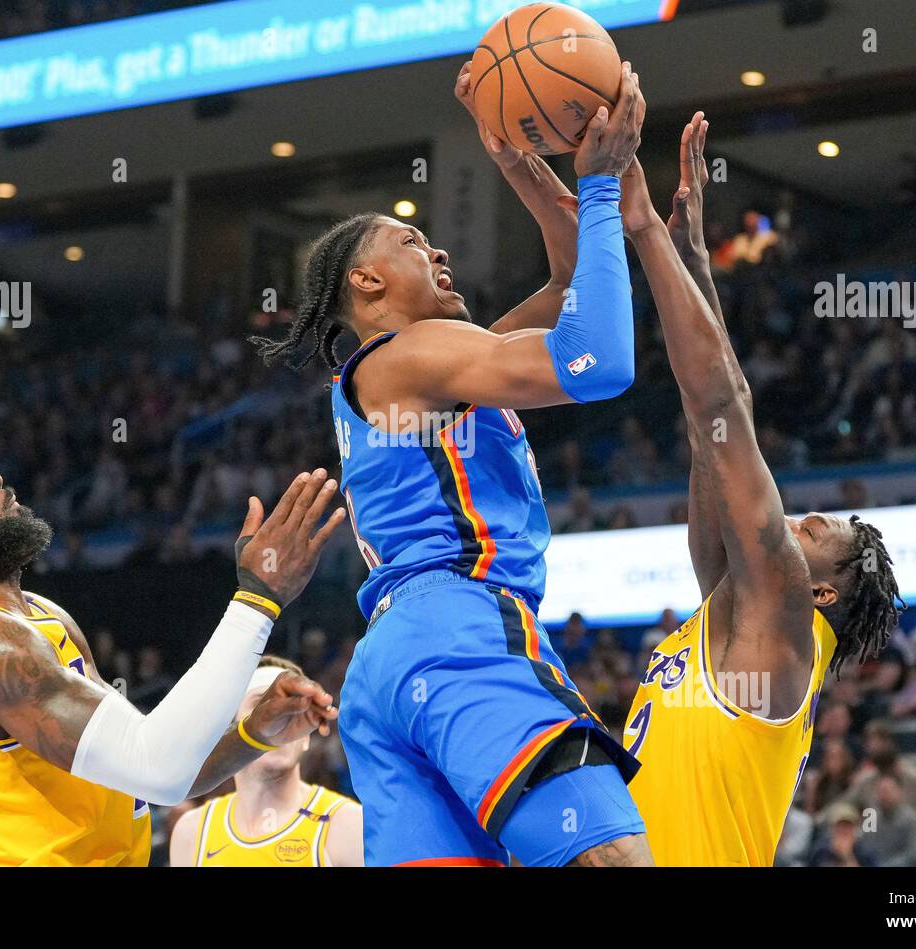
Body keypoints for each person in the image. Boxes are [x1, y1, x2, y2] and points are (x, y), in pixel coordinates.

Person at [248, 63, 650, 867]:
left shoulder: (419, 365)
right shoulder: (409, 354)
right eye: (408, 241)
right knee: (609, 860)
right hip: (459, 629)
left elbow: (575, 280)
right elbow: (599, 359)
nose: (435, 248)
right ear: (365, 281)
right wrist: (602, 186)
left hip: (389, 669)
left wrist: (518, 161)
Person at [617, 112, 903, 865]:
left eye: (819, 534)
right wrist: (696, 268)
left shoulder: (782, 621)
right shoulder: (731, 603)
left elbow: (722, 405)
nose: (802, 517)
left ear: (823, 596)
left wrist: (644, 226)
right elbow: (707, 416)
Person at [0, 445, 344, 866]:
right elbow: (159, 769)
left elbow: (146, 767)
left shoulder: (42, 615)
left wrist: (253, 734)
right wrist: (258, 601)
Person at [170, 656, 363, 867]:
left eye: (292, 710)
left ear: (307, 736)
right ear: (229, 731)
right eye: (262, 708)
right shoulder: (191, 832)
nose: (278, 724)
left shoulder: (348, 824)